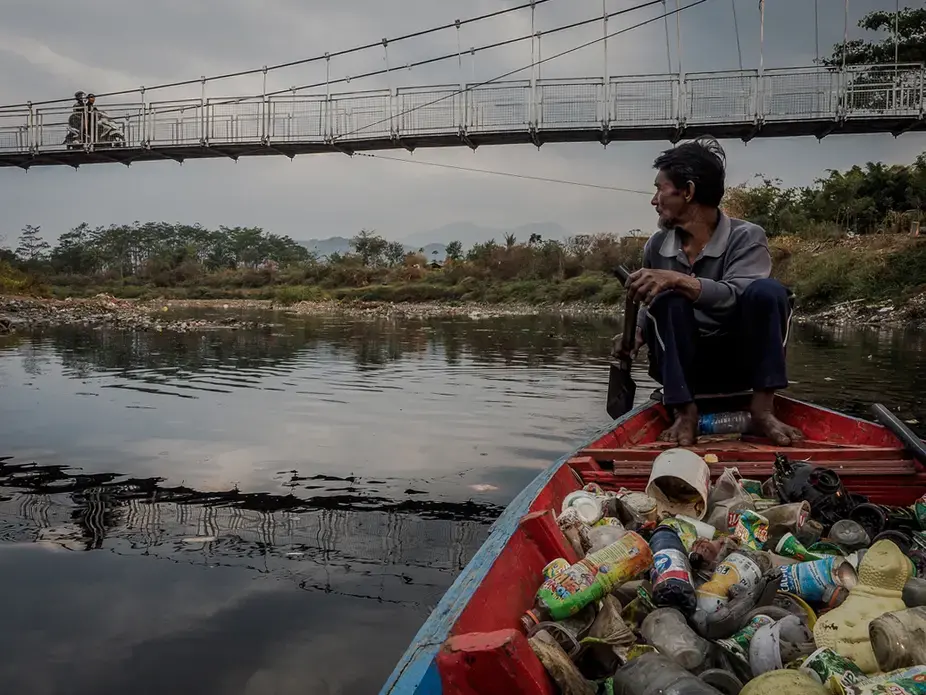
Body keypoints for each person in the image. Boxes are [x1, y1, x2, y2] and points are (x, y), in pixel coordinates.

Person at [620, 136, 803, 448]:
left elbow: (737, 294)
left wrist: (677, 279)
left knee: (769, 292)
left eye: (660, 189)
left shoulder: (747, 237)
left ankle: (762, 409)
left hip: (739, 365)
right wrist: (634, 333)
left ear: (688, 192)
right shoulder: (656, 246)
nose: (654, 200)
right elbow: (650, 306)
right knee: (667, 300)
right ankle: (685, 412)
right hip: (683, 371)